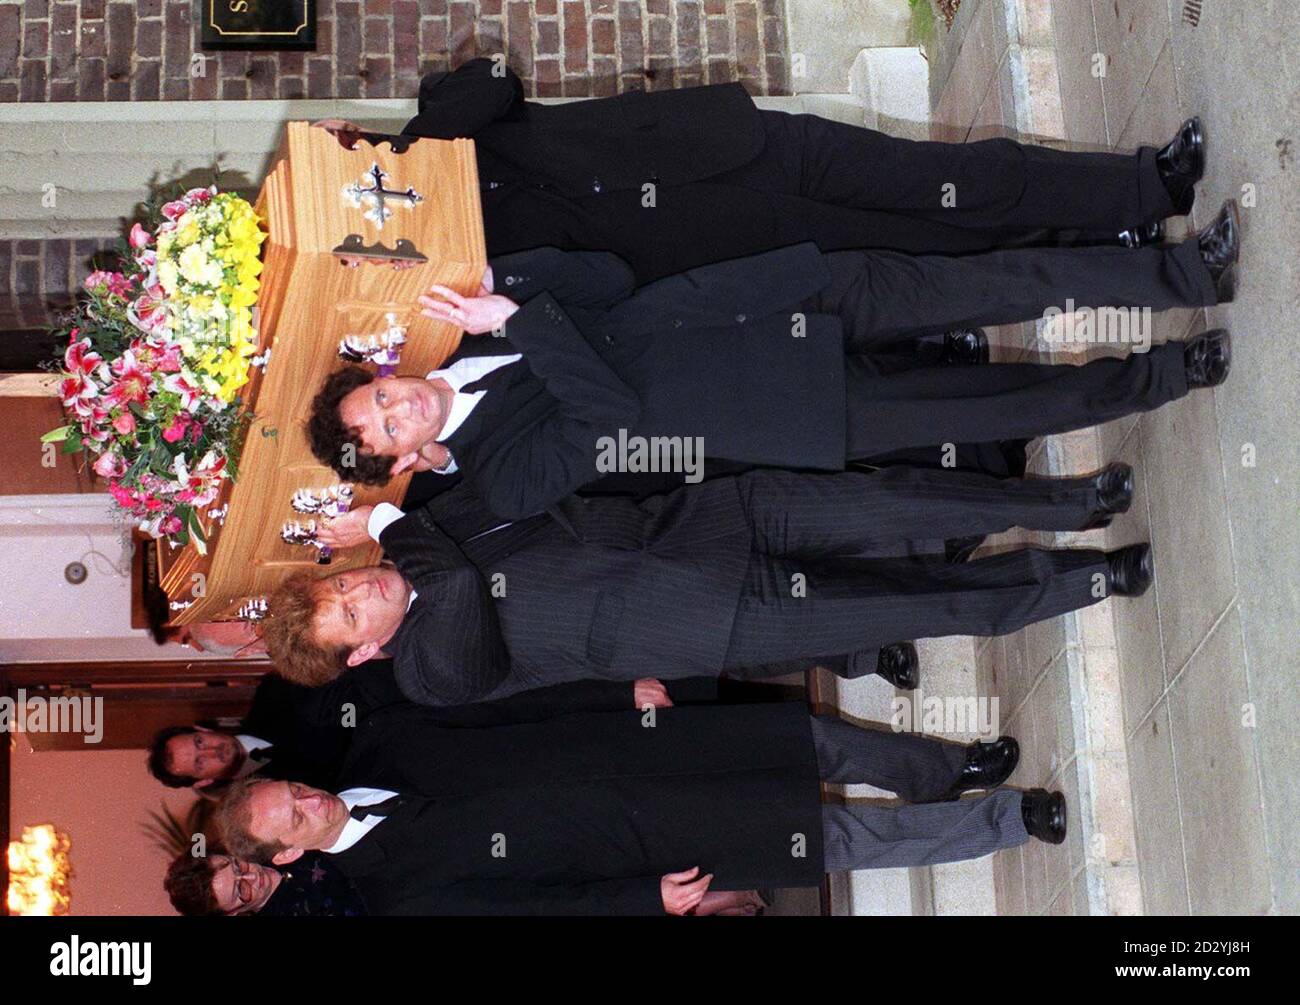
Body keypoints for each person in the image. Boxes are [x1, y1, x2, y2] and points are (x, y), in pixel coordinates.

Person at [307, 200, 1237, 520]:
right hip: (787, 410)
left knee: (988, 283)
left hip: (769, 300)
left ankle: (1185, 268)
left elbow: (606, 273)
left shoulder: (473, 325)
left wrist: (501, 286)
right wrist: (526, 320)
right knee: (1004, 402)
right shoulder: (501, 480)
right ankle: (1168, 373)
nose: (400, 411)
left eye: (381, 397)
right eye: (385, 432)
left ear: (384, 372)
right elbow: (611, 421)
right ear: (397, 462)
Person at [259, 465, 1149, 706]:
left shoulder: (427, 529)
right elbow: (449, 587)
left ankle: (1072, 500)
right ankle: (1089, 577)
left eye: (345, 586)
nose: (363, 591)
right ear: (364, 650)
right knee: (920, 606)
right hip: (713, 619)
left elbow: (520, 487)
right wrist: (385, 523)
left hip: (703, 524)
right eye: (350, 615)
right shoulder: (426, 670)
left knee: (892, 497)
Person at [318, 59, 1208, 283]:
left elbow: (500, 77)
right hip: (725, 239)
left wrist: (402, 142)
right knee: (921, 242)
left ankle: (1142, 185)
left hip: (728, 145)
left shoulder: (439, 131)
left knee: (940, 173)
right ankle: (1105, 231)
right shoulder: (436, 261)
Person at [215, 699, 1056, 916]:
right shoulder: (399, 895)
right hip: (640, 840)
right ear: (288, 857)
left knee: (811, 740)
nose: (301, 798)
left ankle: (947, 766)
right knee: (839, 837)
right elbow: (536, 910)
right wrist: (642, 899)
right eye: (286, 817)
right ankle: (1007, 819)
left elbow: (513, 708)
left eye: (285, 788)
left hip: (638, 746)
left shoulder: (380, 748)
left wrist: (622, 693)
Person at [146, 673, 366, 791]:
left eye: (200, 742)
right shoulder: (271, 796)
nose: (213, 751)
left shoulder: (274, 693)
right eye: (199, 763)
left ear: (202, 729)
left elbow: (348, 686)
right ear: (202, 782)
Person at [163, 850, 365, 917]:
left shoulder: (271, 840)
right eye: (241, 890)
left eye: (238, 867)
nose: (253, 877)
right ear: (232, 912)